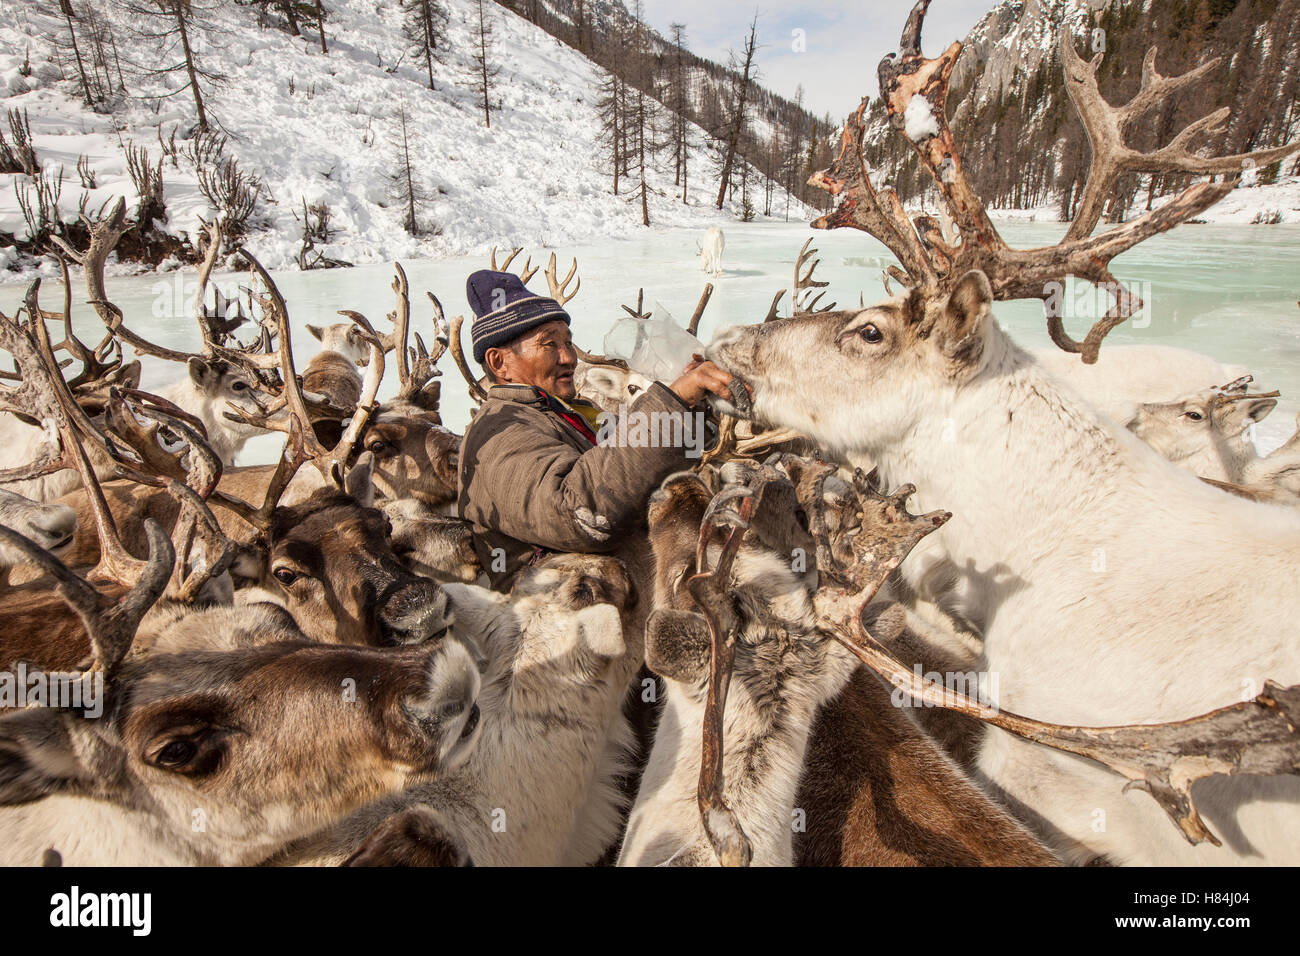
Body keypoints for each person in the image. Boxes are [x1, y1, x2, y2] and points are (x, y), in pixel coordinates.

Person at [456, 268, 735, 590]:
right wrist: (672, 401)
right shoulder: (499, 432)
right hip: (571, 619)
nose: (569, 358)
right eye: (550, 345)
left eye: (568, 342)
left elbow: (643, 464)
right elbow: (582, 513)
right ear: (499, 363)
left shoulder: (569, 413)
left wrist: (690, 405)